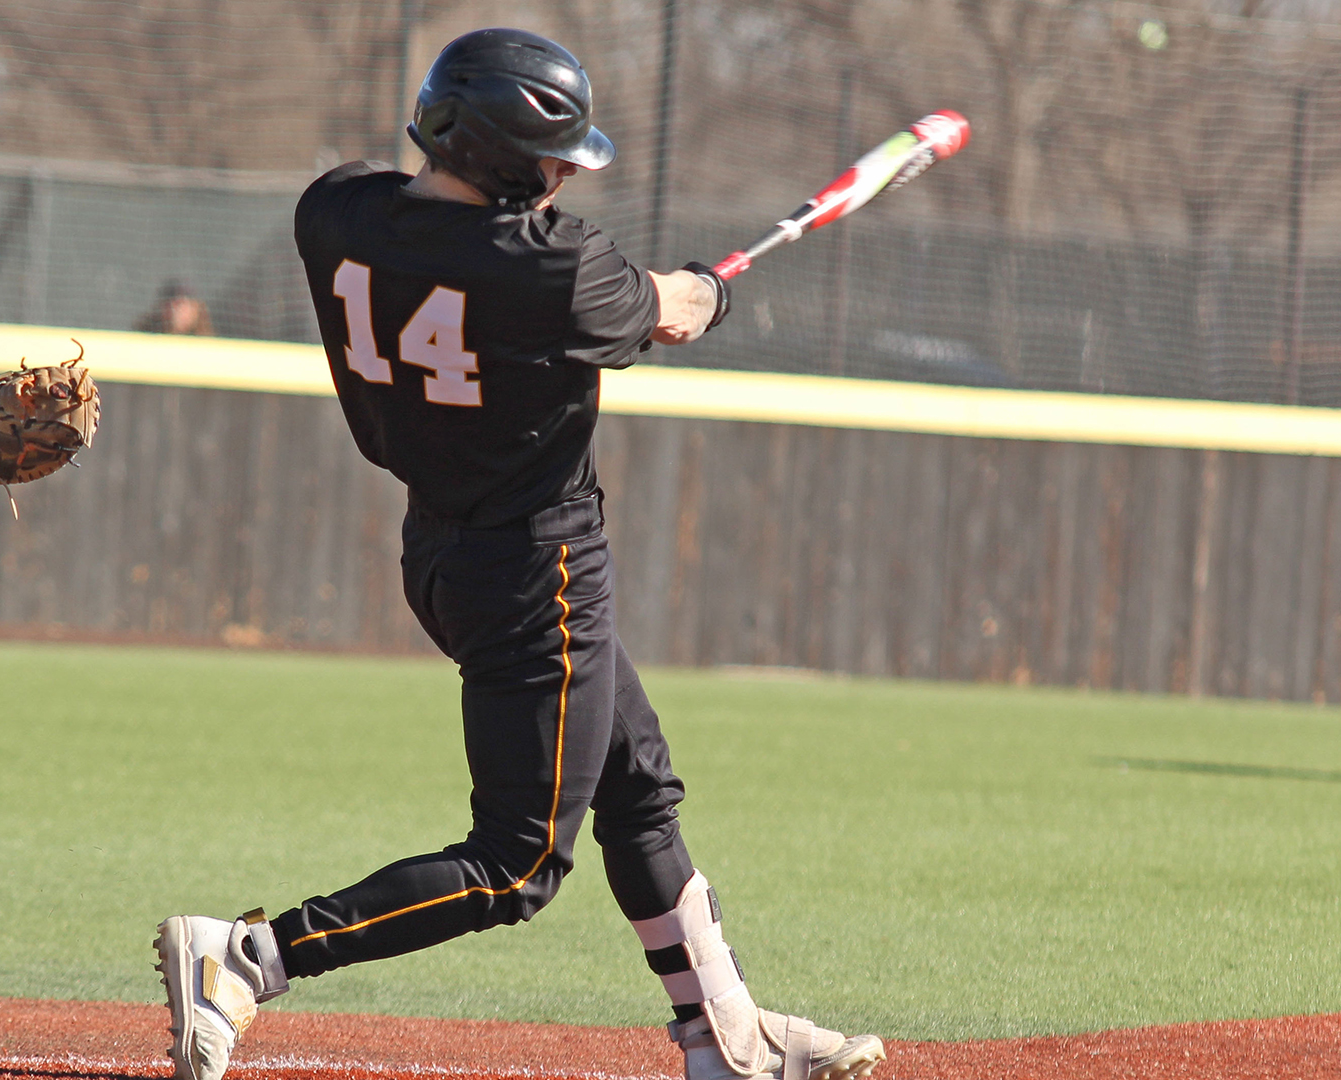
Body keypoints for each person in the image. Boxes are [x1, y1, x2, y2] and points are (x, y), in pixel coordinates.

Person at [153, 28, 885, 1080]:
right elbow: (673, 312)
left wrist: (664, 286)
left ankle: (725, 1035)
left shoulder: (336, 213)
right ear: (504, 157)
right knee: (517, 864)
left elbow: (464, 241)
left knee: (636, 783)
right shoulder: (557, 270)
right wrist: (710, 289)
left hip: (443, 554)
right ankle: (248, 958)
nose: (560, 179)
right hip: (537, 570)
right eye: (552, 159)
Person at [134, 280, 215, 336]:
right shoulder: (146, 338)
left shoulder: (206, 345)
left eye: (182, 305)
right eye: (173, 305)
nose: (177, 312)